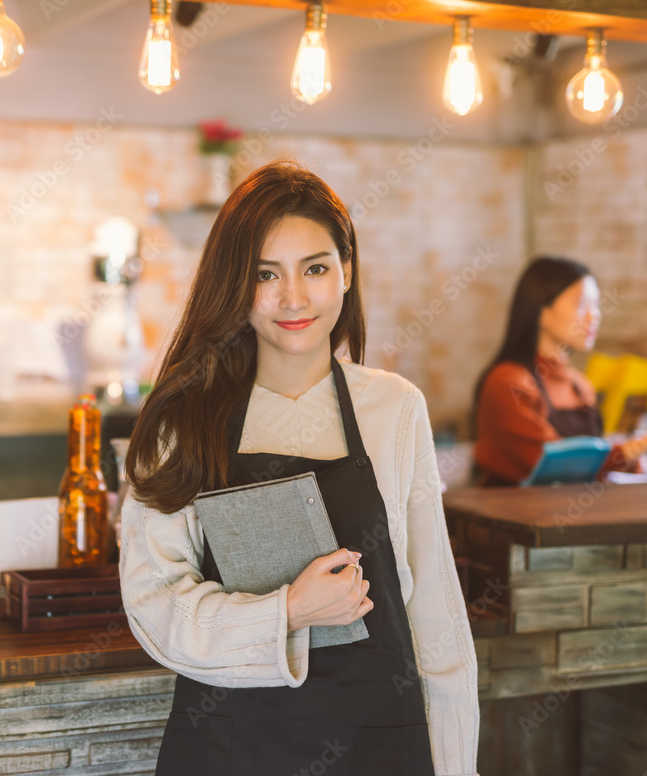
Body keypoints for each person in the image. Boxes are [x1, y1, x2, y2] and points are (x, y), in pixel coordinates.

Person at [120, 161, 479, 775]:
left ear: (346, 272)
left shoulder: (395, 409)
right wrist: (287, 611)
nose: (294, 298)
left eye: (315, 268)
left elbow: (436, 615)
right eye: (266, 274)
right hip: (229, 749)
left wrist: (456, 766)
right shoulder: (185, 419)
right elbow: (155, 608)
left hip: (378, 746)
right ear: (235, 284)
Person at [473, 256, 647, 486]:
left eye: (595, 306)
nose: (593, 316)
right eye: (581, 304)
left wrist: (634, 462)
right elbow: (559, 465)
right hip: (516, 518)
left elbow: (596, 468)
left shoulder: (580, 386)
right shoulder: (507, 382)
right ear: (542, 310)